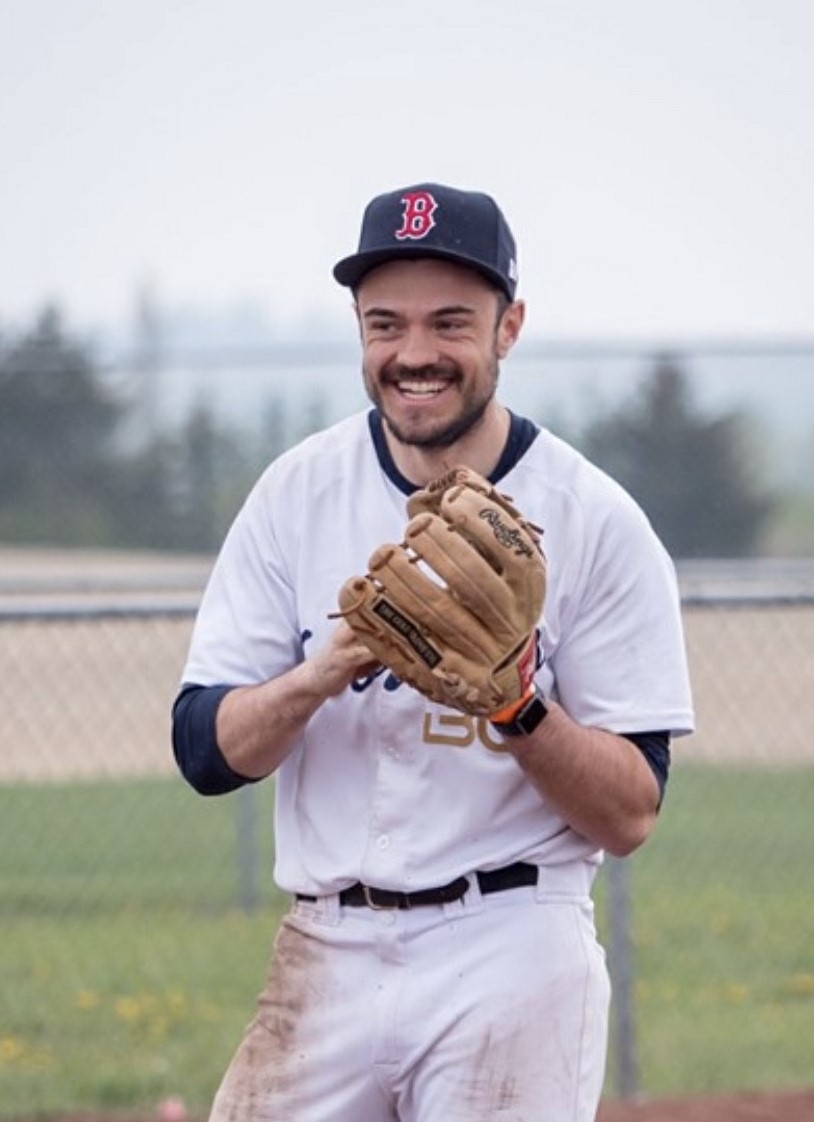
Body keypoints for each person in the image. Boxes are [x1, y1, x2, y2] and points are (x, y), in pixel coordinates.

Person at [172, 182, 694, 1122]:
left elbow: (630, 815)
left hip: (511, 945)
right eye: (386, 324)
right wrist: (322, 671)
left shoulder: (596, 521)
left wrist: (516, 705)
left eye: (450, 322)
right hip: (325, 949)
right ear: (360, 332)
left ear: (509, 327)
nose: (414, 354)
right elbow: (204, 752)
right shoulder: (296, 494)